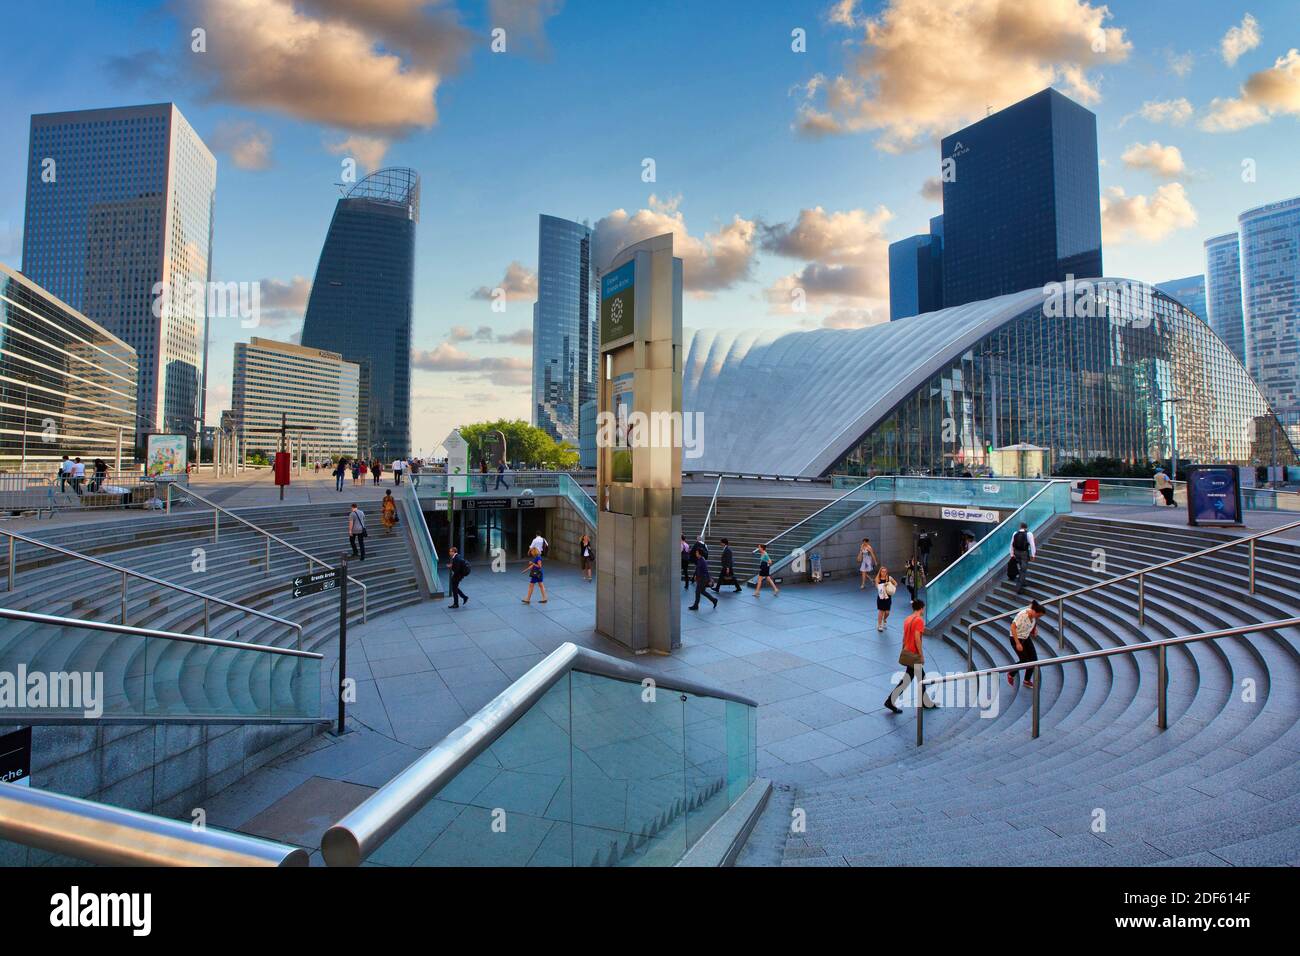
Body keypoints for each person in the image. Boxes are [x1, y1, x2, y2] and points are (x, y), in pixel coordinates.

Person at [884, 599, 937, 713]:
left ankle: (891, 701)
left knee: (912, 678)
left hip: (908, 651)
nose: (924, 610)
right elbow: (918, 639)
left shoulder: (907, 619)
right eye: (923, 608)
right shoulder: (919, 620)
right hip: (914, 654)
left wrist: (903, 649)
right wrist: (921, 655)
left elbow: (904, 637)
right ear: (921, 608)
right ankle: (891, 701)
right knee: (917, 678)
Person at [1008, 600, 1044, 688]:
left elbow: (1033, 623)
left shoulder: (1034, 616)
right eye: (1039, 615)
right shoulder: (1022, 615)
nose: (1039, 617)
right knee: (1024, 660)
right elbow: (1013, 627)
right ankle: (1011, 673)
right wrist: (1017, 643)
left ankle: (1026, 680)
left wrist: (1034, 629)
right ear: (1034, 611)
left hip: (1025, 637)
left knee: (1033, 660)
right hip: (1016, 638)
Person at [1010, 521, 1036, 595]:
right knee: (1023, 570)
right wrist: (1033, 555)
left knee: (1021, 568)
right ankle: (1018, 588)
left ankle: (1023, 582)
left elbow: (1011, 544)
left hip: (1016, 553)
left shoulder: (1015, 533)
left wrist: (1012, 554)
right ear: (1026, 527)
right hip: (1024, 553)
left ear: (1020, 527)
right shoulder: (1029, 534)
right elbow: (1032, 545)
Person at [688, 546, 717, 610]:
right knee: (702, 591)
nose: (696, 553)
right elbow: (698, 569)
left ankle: (696, 605)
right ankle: (714, 600)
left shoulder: (702, 561)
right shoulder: (700, 560)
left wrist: (709, 580)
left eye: (697, 552)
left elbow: (706, 571)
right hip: (700, 578)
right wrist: (695, 576)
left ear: (699, 553)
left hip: (703, 579)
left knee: (697, 592)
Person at [875, 565, 898, 632]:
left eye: (885, 571)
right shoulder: (877, 579)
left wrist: (891, 585)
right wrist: (883, 585)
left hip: (888, 597)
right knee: (881, 611)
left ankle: (884, 620)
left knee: (887, 612)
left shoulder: (889, 578)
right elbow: (877, 587)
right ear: (880, 572)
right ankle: (879, 625)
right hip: (881, 597)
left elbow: (896, 584)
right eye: (882, 571)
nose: (884, 573)